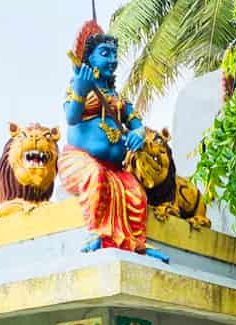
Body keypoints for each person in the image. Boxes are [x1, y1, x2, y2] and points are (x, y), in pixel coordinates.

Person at [59, 18, 169, 261]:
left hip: (115, 168)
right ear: (89, 59)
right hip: (79, 161)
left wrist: (138, 135)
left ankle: (136, 243)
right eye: (105, 53)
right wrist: (81, 88)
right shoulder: (78, 88)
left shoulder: (117, 97)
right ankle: (96, 232)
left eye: (114, 54)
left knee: (136, 193)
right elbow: (72, 117)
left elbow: (137, 124)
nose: (112, 59)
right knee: (95, 178)